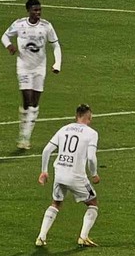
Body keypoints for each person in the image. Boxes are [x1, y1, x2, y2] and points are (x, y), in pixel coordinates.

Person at [37, 104, 101, 247]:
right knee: (93, 203)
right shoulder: (91, 133)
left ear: (76, 116)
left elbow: (46, 150)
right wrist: (94, 174)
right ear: (89, 117)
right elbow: (91, 157)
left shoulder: (64, 129)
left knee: (56, 203)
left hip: (59, 173)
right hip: (77, 177)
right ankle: (83, 237)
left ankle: (41, 237)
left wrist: (44, 171)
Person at [1, 0, 62, 150]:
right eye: (35, 10)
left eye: (39, 10)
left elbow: (55, 45)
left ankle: (26, 137)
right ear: (28, 10)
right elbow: (4, 36)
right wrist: (9, 45)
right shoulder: (19, 24)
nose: (38, 13)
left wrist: (57, 64)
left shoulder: (46, 26)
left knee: (34, 104)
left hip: (39, 68)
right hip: (23, 67)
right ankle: (23, 136)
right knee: (27, 100)